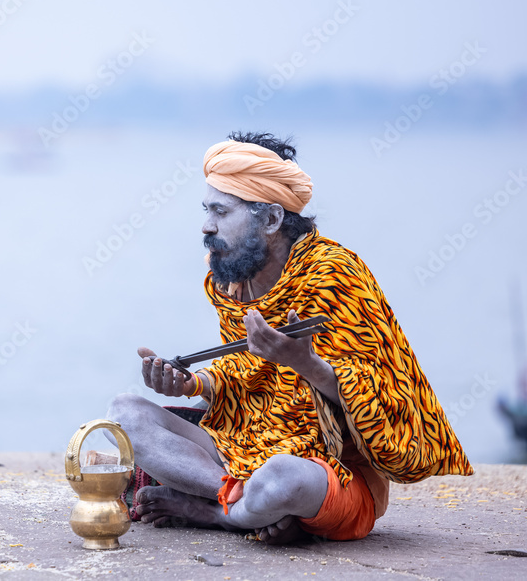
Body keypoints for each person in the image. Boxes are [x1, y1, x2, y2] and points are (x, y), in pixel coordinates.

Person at [106, 132, 472, 543]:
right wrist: (194, 383)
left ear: (272, 219)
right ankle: (238, 502)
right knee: (124, 413)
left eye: (221, 212)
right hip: (240, 454)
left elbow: (382, 398)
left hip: (331, 472)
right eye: (207, 209)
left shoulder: (335, 274)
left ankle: (218, 514)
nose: (207, 226)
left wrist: (305, 363)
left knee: (283, 477)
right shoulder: (231, 279)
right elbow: (247, 372)